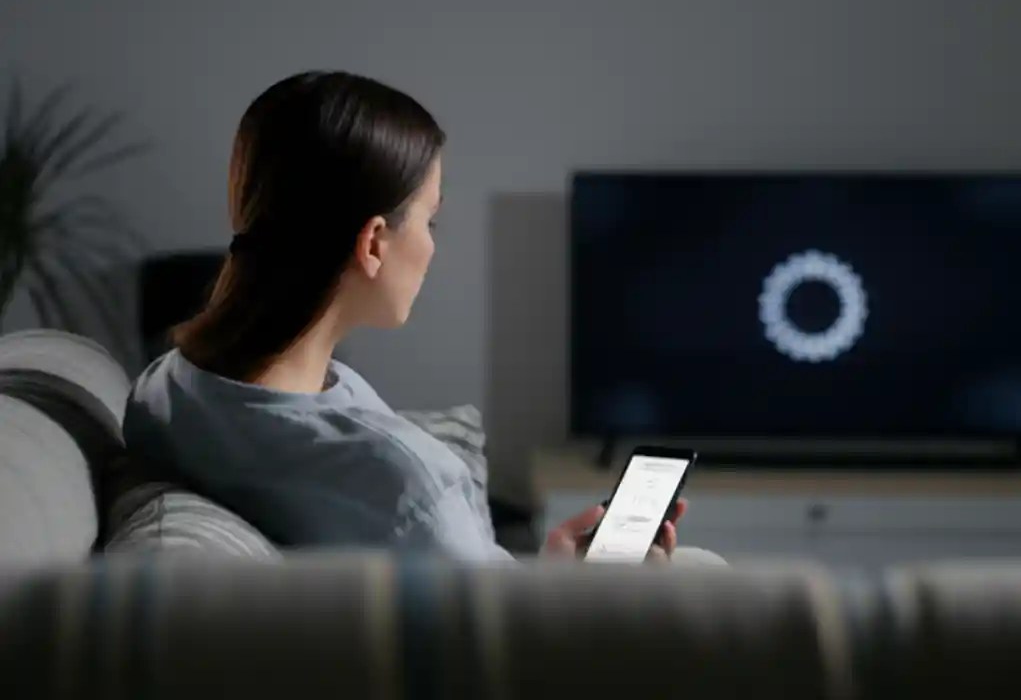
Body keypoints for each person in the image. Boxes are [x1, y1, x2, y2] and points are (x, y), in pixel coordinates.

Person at [123, 71, 684, 563]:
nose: (434, 248)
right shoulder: (406, 484)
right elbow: (518, 642)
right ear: (373, 243)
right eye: (430, 221)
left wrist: (552, 570)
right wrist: (611, 597)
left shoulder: (166, 387)